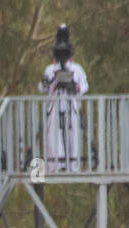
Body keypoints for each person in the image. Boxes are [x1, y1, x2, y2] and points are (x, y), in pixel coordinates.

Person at [40, 24, 88, 172]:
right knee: (54, 133)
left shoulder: (76, 69)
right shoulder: (50, 69)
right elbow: (41, 88)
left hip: (71, 106)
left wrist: (75, 87)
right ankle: (57, 165)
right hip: (54, 106)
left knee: (73, 133)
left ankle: (73, 165)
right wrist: (49, 82)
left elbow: (84, 86)